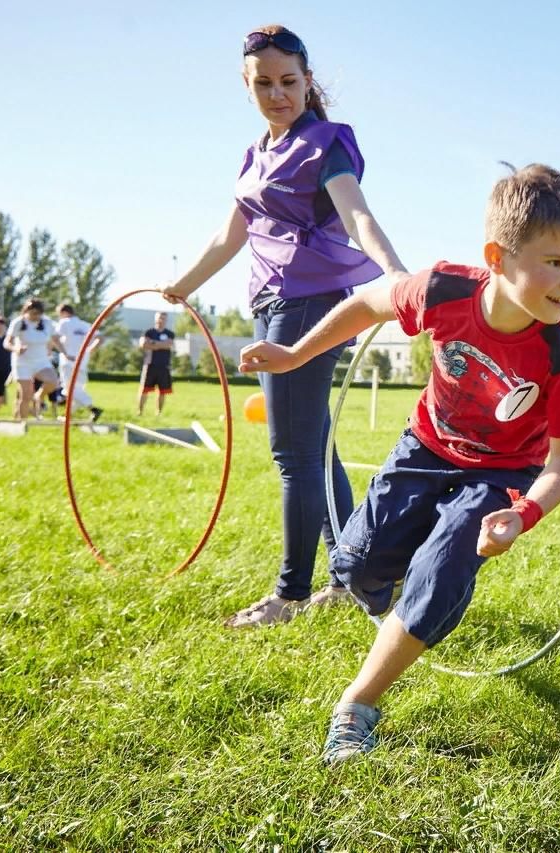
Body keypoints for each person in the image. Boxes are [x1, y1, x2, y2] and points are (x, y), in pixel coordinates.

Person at [239, 163, 560, 764]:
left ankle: (358, 703)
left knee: (444, 565)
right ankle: (393, 594)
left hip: (502, 473)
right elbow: (367, 302)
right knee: (354, 567)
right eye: (557, 262)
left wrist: (524, 514)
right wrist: (295, 354)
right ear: (498, 257)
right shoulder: (442, 291)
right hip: (427, 447)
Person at [159, 24, 407, 627]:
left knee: (294, 457)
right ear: (247, 87)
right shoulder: (254, 156)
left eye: (289, 81)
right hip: (271, 304)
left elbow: (357, 217)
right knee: (317, 453)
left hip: (307, 307)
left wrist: (399, 275)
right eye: (264, 84)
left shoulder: (326, 144)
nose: (278, 94)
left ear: (307, 80)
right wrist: (181, 287)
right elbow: (230, 235)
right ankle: (351, 577)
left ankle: (290, 595)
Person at [4, 299, 62, 420]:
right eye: (33, 313)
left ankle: (39, 397)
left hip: (41, 361)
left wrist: (66, 354)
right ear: (26, 311)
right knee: (25, 396)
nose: (36, 316)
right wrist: (16, 348)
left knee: (53, 381)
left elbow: (56, 340)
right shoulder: (18, 323)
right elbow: (6, 343)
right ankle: (21, 423)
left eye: (38, 313)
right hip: (22, 363)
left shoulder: (47, 323)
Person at [55, 304, 104, 423]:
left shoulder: (64, 323)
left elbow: (54, 338)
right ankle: (67, 416)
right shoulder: (84, 325)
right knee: (76, 391)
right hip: (82, 362)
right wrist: (90, 349)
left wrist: (64, 352)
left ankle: (92, 408)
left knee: (70, 389)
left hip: (68, 361)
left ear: (63, 313)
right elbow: (100, 338)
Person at [138, 312, 175, 415]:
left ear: (166, 320)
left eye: (163, 318)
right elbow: (143, 344)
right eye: (159, 318)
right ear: (155, 319)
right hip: (150, 364)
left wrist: (153, 343)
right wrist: (161, 345)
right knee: (144, 389)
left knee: (162, 391)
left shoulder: (169, 333)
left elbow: (169, 344)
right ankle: (140, 411)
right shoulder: (148, 332)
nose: (161, 320)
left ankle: (158, 412)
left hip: (164, 366)